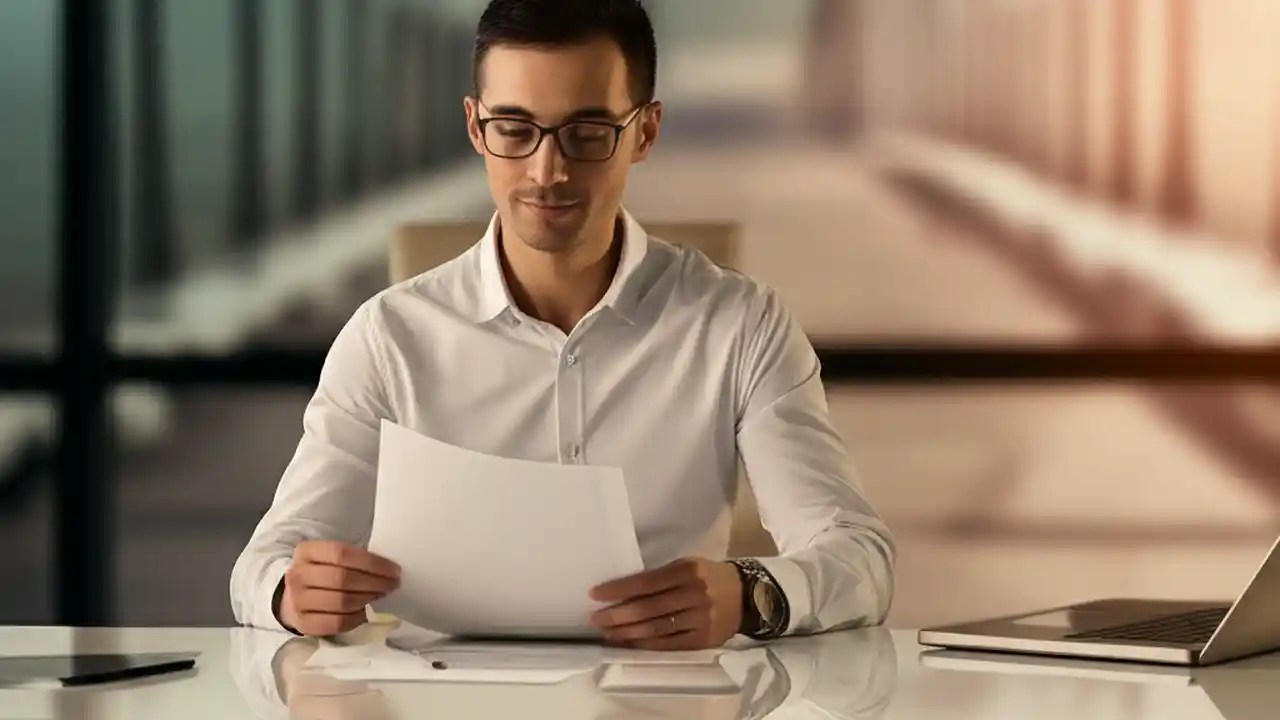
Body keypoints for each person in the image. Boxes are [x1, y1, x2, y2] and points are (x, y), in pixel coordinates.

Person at [230, 0, 894, 651]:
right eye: (514, 129)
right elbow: (263, 567)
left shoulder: (739, 325)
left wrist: (751, 595)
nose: (547, 172)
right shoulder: (389, 338)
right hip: (439, 694)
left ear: (645, 132)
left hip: (666, 691)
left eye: (588, 133)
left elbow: (860, 558)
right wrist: (292, 594)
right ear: (475, 127)